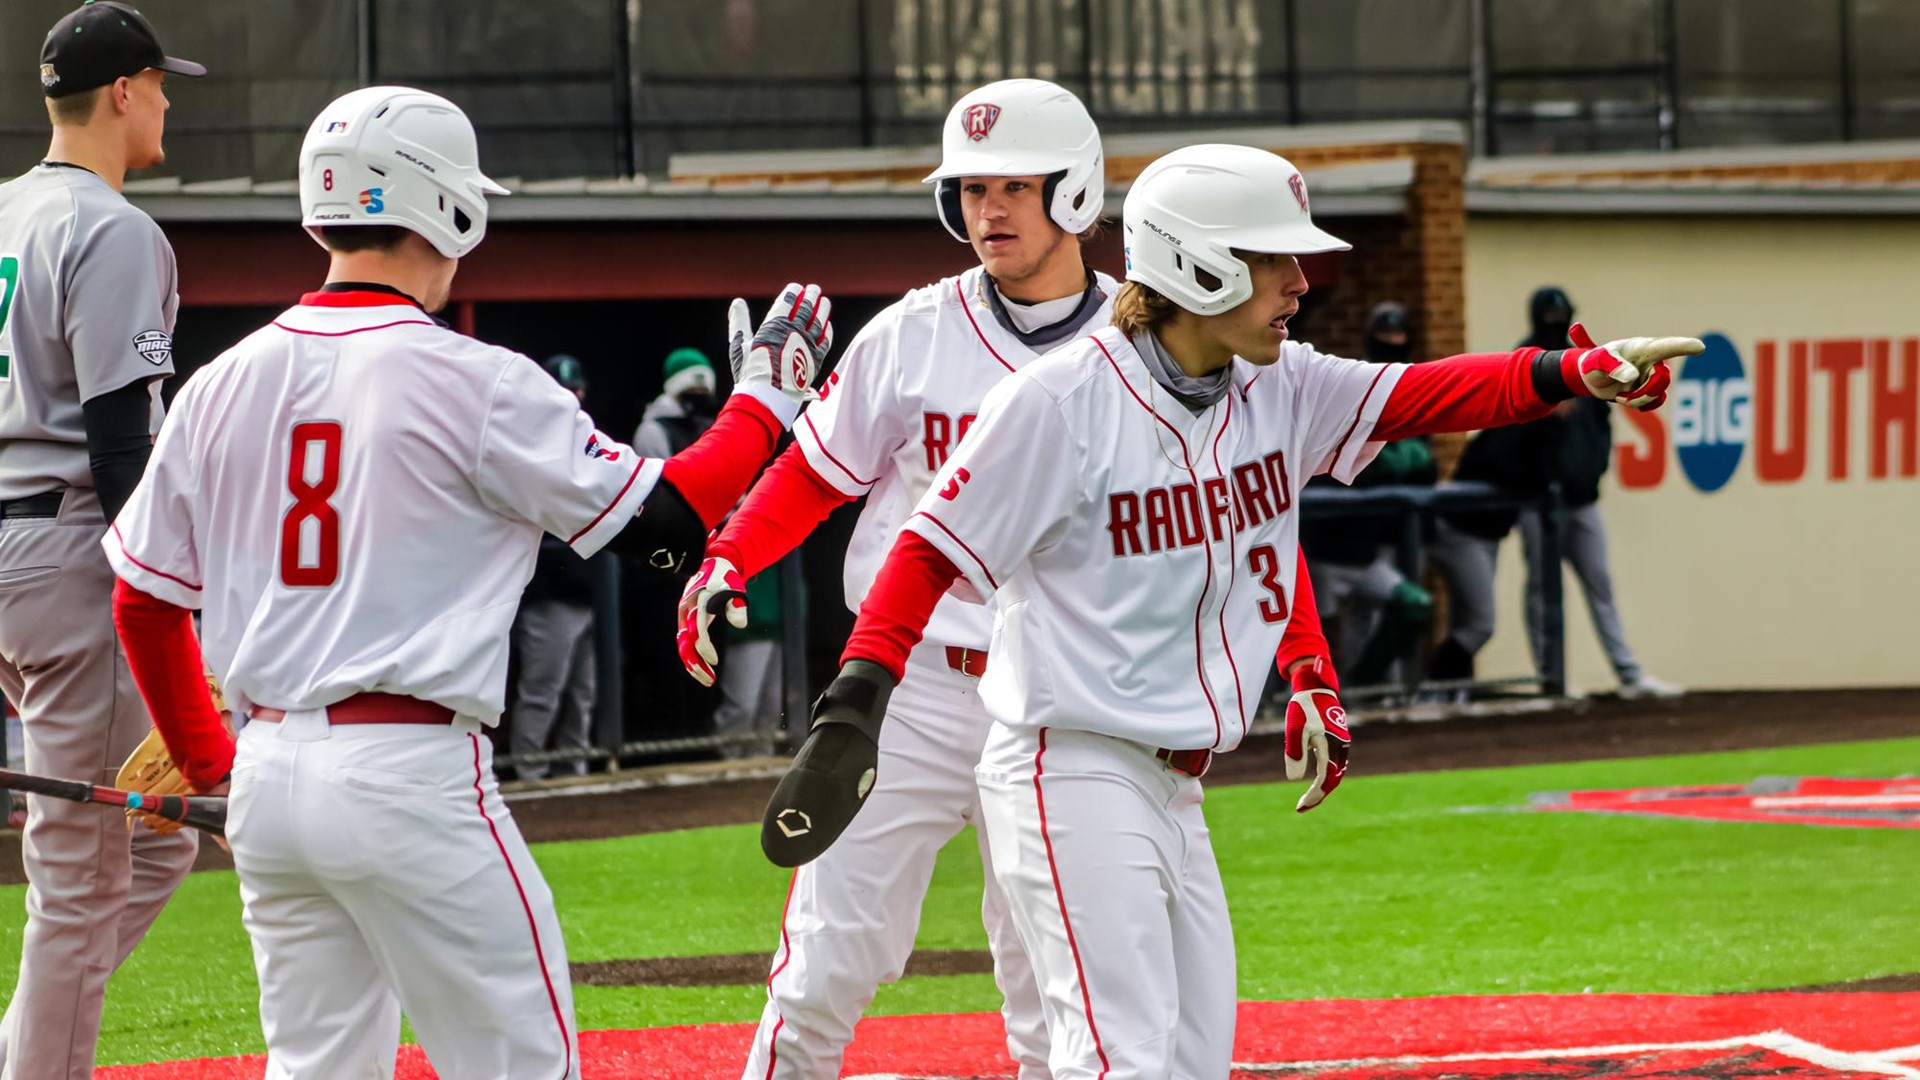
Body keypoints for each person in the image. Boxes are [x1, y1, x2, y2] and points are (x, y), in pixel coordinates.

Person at [768, 144, 1697, 1078]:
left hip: (1180, 784)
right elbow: (925, 547)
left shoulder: (1275, 380)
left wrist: (1574, 375)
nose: (1300, 280)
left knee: (1189, 1065)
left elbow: (1425, 393)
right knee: (1120, 1061)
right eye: (1274, 258)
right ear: (1194, 263)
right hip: (1070, 763)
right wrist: (857, 700)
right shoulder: (1062, 400)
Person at [101, 85, 832, 1079]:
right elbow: (669, 522)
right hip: (409, 775)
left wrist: (211, 765)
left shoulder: (219, 381)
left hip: (268, 776)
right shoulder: (474, 379)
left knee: (316, 1069)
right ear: (448, 205)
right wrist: (766, 401)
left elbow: (143, 602)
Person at [676, 79, 1340, 1080]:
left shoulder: (1155, 335)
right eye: (972, 188)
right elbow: (813, 471)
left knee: (1051, 999)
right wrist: (727, 555)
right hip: (921, 689)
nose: (988, 209)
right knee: (826, 961)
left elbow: (1244, 508)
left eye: (1015, 187)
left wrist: (1305, 663)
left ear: (1075, 194)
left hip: (1066, 703)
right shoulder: (912, 331)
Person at [0, 6, 204, 1076]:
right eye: (162, 83)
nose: (169, 100)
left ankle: (30, 1033)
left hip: (13, 552)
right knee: (83, 874)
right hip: (68, 550)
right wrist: (170, 606)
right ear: (122, 90)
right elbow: (125, 447)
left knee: (160, 827)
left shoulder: (2, 211)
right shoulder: (113, 227)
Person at [1431, 288, 1680, 698]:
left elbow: (1600, 424)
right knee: (1541, 591)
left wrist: (1591, 474)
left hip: (1581, 498)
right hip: (1539, 498)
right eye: (1550, 315)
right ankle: (1553, 680)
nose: (1555, 320)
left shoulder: (1582, 359)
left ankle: (1629, 674)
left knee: (1599, 584)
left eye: (1560, 314)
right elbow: (1507, 434)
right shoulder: (1526, 360)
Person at [1298, 302, 1436, 686]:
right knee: (1315, 639)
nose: (1393, 340)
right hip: (1322, 555)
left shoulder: (1408, 397)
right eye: (1385, 334)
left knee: (1413, 606)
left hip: (1370, 551)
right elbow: (1322, 476)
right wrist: (1380, 467)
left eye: (1399, 333)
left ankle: (1362, 688)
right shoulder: (1337, 408)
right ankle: (1306, 700)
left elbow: (1425, 473)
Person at [505, 356, 603, 779]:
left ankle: (573, 774)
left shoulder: (590, 444)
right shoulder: (527, 443)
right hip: (546, 596)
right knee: (543, 693)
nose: (574, 398)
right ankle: (529, 775)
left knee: (583, 694)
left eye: (577, 390)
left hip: (585, 595)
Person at [632, 346, 720, 458]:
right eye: (691, 390)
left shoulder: (712, 426)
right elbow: (660, 474)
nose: (699, 395)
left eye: (704, 391)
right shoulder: (653, 431)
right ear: (674, 391)